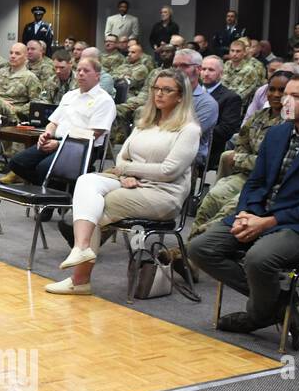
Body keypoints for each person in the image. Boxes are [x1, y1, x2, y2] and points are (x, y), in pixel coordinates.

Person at [189, 74, 299, 342]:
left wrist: (269, 222)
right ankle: (280, 303)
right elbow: (256, 181)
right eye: (285, 95)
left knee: (259, 258)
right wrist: (248, 212)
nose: (285, 101)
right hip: (259, 214)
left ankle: (256, 316)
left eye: (296, 96)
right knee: (201, 248)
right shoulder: (278, 133)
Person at [47, 70, 200, 295]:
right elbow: (122, 156)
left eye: (167, 90)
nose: (159, 94)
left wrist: (128, 170)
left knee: (98, 206)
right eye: (156, 88)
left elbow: (169, 171)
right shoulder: (145, 122)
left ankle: (79, 281)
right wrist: (126, 173)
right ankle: (80, 249)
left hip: (162, 194)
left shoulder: (189, 129)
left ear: (180, 96)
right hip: (131, 182)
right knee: (86, 181)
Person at [192, 71, 288, 238]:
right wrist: (247, 159)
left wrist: (244, 159)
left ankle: (194, 248)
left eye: (282, 90)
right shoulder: (259, 117)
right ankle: (188, 248)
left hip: (269, 183)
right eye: (272, 89)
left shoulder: (291, 122)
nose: (276, 95)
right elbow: (241, 145)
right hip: (246, 176)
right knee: (212, 198)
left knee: (230, 208)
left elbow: (274, 163)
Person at [4, 56, 114, 186]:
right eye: (78, 70)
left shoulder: (104, 100)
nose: (81, 74)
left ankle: (57, 192)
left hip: (80, 148)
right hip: (54, 141)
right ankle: (56, 187)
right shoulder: (70, 96)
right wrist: (47, 134)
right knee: (16, 163)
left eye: (86, 71)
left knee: (44, 169)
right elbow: (53, 122)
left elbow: (94, 134)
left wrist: (60, 144)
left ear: (97, 75)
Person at [174, 48, 219, 162]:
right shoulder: (166, 93)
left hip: (189, 154)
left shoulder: (207, 103)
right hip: (160, 146)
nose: (178, 70)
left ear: (198, 69)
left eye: (184, 66)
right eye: (175, 66)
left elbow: (186, 136)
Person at [200, 55, 243, 166]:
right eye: (203, 69)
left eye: (211, 70)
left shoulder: (231, 98)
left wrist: (195, 134)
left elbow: (226, 130)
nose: (206, 73)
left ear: (221, 73)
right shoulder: (191, 93)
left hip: (211, 150)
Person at [221, 38, 265, 102]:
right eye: (232, 51)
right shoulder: (227, 64)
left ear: (244, 53)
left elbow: (240, 95)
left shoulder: (249, 70)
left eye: (238, 51)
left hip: (237, 104)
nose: (234, 54)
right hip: (221, 100)